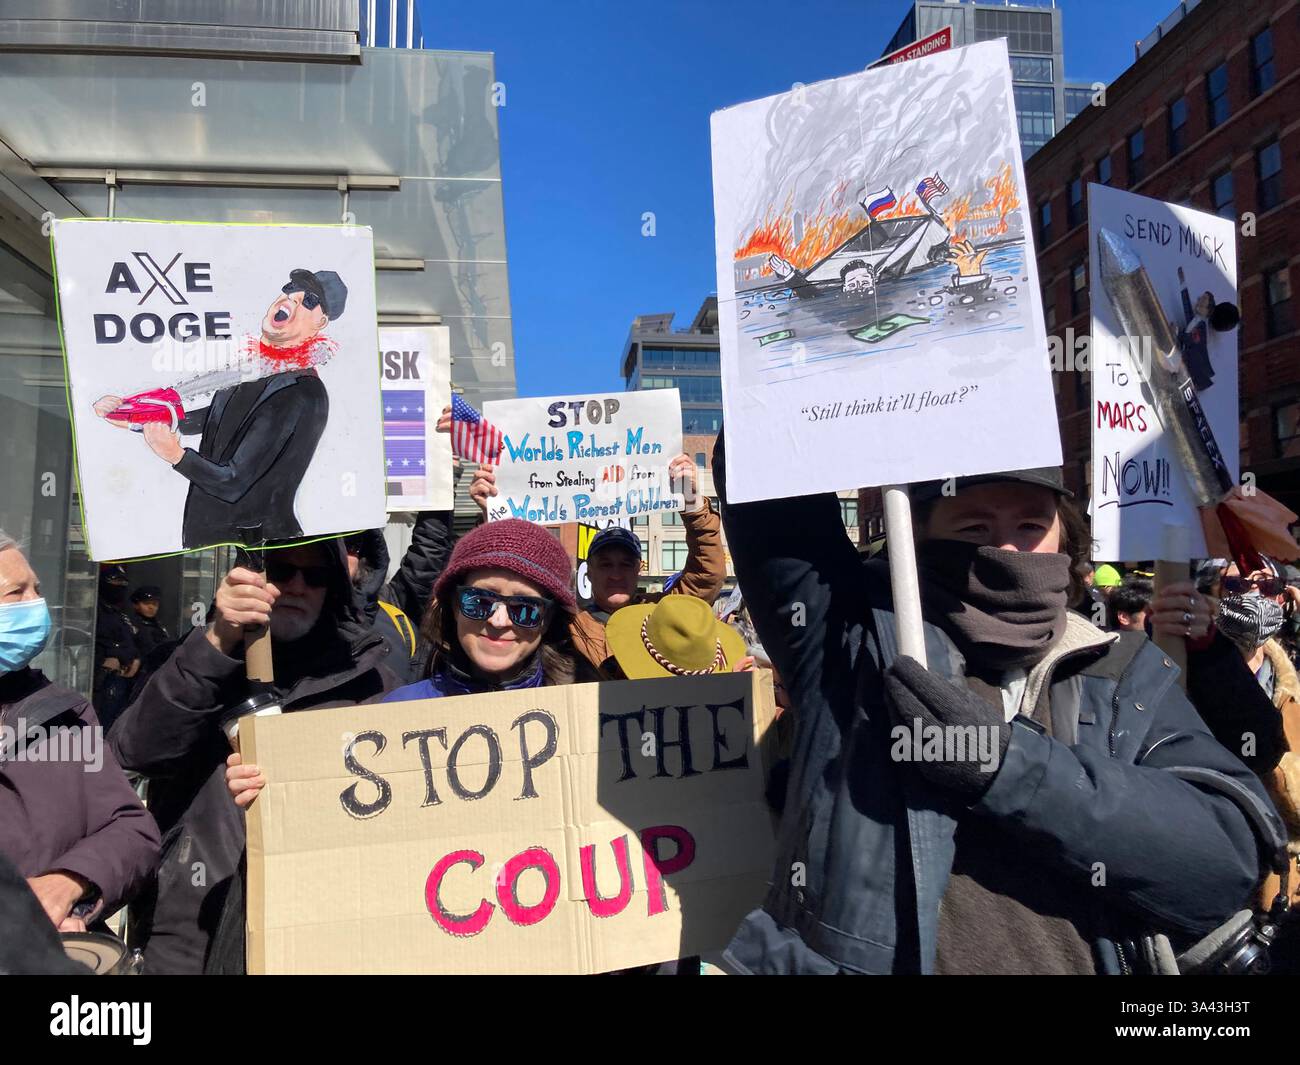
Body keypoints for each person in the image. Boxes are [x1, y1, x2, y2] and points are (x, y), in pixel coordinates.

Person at [714, 431, 1284, 975]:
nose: (1006, 548)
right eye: (974, 526)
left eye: (1032, 525)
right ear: (917, 534)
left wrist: (1003, 766)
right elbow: (764, 466)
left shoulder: (1121, 666)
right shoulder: (851, 638)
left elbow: (1224, 859)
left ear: (1068, 536)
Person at [107, 538, 401, 975]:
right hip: (188, 934)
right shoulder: (187, 658)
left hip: (311, 938)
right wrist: (217, 642)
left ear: (335, 588)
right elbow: (131, 752)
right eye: (282, 571)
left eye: (316, 576)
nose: (297, 587)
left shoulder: (373, 683)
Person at [93, 268, 346, 548]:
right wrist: (130, 416)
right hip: (214, 541)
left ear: (320, 322)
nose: (292, 300)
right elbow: (211, 418)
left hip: (255, 551)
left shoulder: (300, 391)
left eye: (308, 300)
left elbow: (234, 480)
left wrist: (176, 455)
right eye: (291, 290)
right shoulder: (256, 370)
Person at [0, 532, 159, 953]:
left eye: (37, 589)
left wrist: (69, 882)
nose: (36, 605)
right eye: (16, 593)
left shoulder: (63, 715)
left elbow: (131, 830)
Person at [469, 456, 726, 676]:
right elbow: (510, 589)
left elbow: (706, 575)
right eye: (605, 564)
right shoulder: (568, 624)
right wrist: (494, 514)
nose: (616, 573)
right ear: (588, 572)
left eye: (625, 564)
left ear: (639, 569)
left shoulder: (662, 613)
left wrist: (692, 502)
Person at [344, 509, 456, 684]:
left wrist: (439, 488)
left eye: (350, 546)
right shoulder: (292, 618)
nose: (340, 556)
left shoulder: (393, 607)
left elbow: (429, 549)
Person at [92, 564, 141, 730]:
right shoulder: (96, 610)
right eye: (115, 581)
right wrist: (111, 658)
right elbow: (98, 640)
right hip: (104, 680)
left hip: (123, 679)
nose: (119, 587)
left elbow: (130, 640)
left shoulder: (119, 613)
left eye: (123, 582)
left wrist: (134, 658)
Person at [130, 585, 171, 658]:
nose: (151, 607)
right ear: (136, 605)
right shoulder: (130, 625)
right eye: (146, 603)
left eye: (155, 604)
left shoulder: (160, 627)